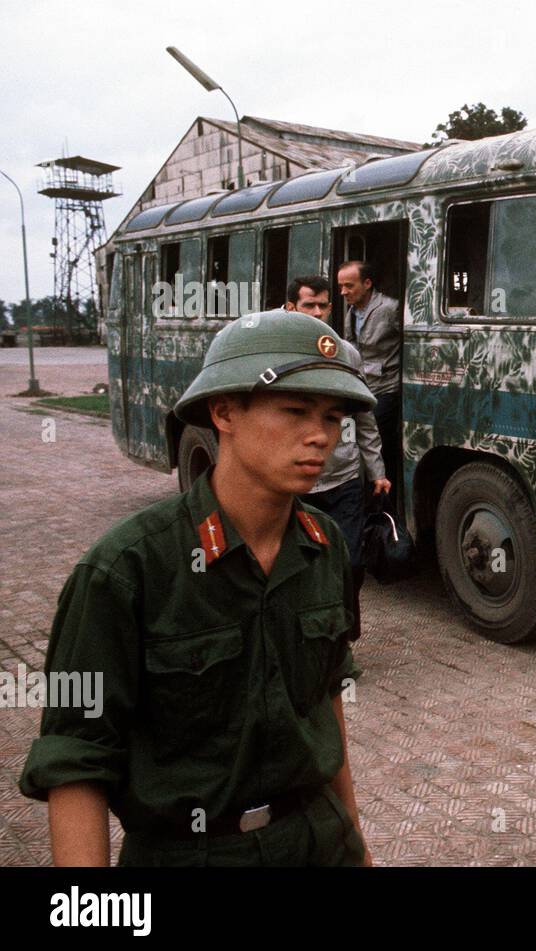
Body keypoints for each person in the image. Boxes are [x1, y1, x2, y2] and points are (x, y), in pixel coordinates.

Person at [19, 309, 375, 866]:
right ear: (224, 410)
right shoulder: (126, 568)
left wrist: (357, 847)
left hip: (316, 843)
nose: (320, 437)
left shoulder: (323, 543)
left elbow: (327, 704)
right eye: (295, 410)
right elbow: (76, 760)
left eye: (333, 417)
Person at [286, 276, 391, 639]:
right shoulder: (277, 355)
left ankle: (342, 640)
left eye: (323, 305)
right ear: (290, 308)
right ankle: (300, 637)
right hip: (294, 481)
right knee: (297, 563)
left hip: (344, 478)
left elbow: (364, 416)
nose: (317, 312)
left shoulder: (346, 353)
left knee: (350, 560)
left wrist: (377, 470)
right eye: (308, 305)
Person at [337, 260, 401, 507]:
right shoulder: (351, 311)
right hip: (360, 387)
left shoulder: (390, 308)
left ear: (367, 284)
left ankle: (382, 506)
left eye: (349, 286)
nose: (343, 292)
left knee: (373, 444)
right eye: (341, 287)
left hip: (386, 389)